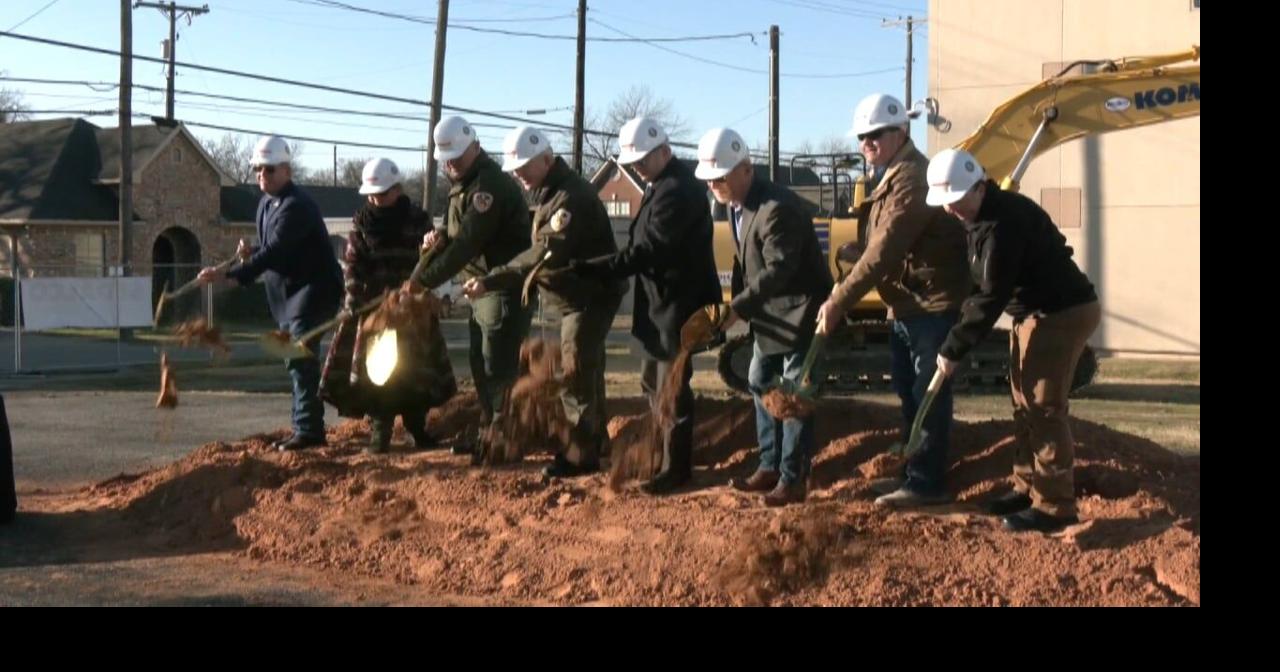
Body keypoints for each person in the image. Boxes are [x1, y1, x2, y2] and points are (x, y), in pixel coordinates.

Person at [927, 148, 1101, 533]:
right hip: (1032, 314)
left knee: (1043, 407)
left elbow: (991, 297)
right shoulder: (978, 215)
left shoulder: (1002, 224)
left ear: (978, 187)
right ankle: (1026, 488)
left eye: (955, 202)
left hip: (1062, 312)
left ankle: (1055, 506)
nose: (951, 211)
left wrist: (953, 348)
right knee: (1022, 403)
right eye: (946, 204)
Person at [815, 94, 970, 507]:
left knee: (926, 395)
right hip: (908, 305)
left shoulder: (913, 177)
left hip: (931, 306)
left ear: (901, 131)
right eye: (862, 137)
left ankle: (925, 484)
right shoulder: (890, 176)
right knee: (909, 392)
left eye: (874, 135)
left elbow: (884, 250)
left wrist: (840, 301)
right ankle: (912, 472)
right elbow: (883, 247)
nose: (866, 143)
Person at [574, 117, 721, 494]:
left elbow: (651, 249)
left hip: (677, 306)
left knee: (670, 388)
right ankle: (662, 456)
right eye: (633, 161)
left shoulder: (677, 190)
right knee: (652, 383)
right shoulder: (661, 185)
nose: (637, 166)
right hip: (660, 305)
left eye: (642, 159)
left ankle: (677, 469)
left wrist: (597, 268)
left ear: (664, 151)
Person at [467, 126, 625, 477]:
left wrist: (492, 278)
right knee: (588, 367)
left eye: (524, 167)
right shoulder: (552, 193)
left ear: (547, 159)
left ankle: (579, 455)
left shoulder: (569, 199)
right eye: (515, 169)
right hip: (580, 296)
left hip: (587, 298)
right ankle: (594, 441)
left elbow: (542, 253)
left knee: (575, 372)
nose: (519, 174)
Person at [695, 127, 832, 506]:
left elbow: (778, 271)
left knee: (794, 397)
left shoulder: (777, 208)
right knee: (758, 379)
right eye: (709, 179)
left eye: (719, 177)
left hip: (799, 314)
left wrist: (737, 307)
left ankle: (793, 477)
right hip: (771, 315)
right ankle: (770, 464)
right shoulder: (736, 203)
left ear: (745, 168)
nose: (714, 186)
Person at [199, 135, 342, 451]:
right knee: (294, 360)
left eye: (269, 169)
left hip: (313, 292)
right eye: (257, 170)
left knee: (300, 359)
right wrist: (251, 251)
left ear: (287, 170)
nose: (262, 176)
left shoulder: (297, 206)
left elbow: (277, 250)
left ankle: (309, 430)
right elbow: (271, 247)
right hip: (288, 298)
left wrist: (230, 276)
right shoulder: (265, 204)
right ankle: (302, 426)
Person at [320, 158, 457, 453]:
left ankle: (418, 430)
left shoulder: (419, 221)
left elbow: (433, 259)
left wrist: (430, 259)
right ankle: (380, 434)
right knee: (380, 374)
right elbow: (353, 268)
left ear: (397, 190)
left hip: (413, 310)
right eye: (371, 194)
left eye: (381, 193)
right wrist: (353, 301)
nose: (375, 199)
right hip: (378, 313)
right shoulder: (362, 224)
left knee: (417, 374)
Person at [414, 116, 532, 455]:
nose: (450, 163)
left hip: (501, 288)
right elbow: (455, 237)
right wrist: (436, 240)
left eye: (457, 156)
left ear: (475, 147)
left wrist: (423, 282)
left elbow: (468, 242)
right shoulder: (462, 185)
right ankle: (489, 432)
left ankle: (506, 440)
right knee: (481, 365)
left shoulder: (487, 186)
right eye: (446, 159)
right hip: (479, 289)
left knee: (499, 367)